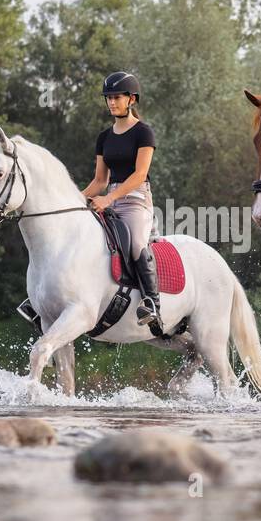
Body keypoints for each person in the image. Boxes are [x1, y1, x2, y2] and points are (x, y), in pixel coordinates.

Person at [79, 71, 163, 329]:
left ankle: (152, 303)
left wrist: (110, 198)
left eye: (116, 97)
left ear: (132, 99)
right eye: (108, 98)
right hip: (109, 198)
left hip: (136, 199)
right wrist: (74, 200)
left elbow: (139, 175)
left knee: (137, 243)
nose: (111, 102)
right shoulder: (104, 137)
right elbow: (100, 181)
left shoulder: (143, 133)